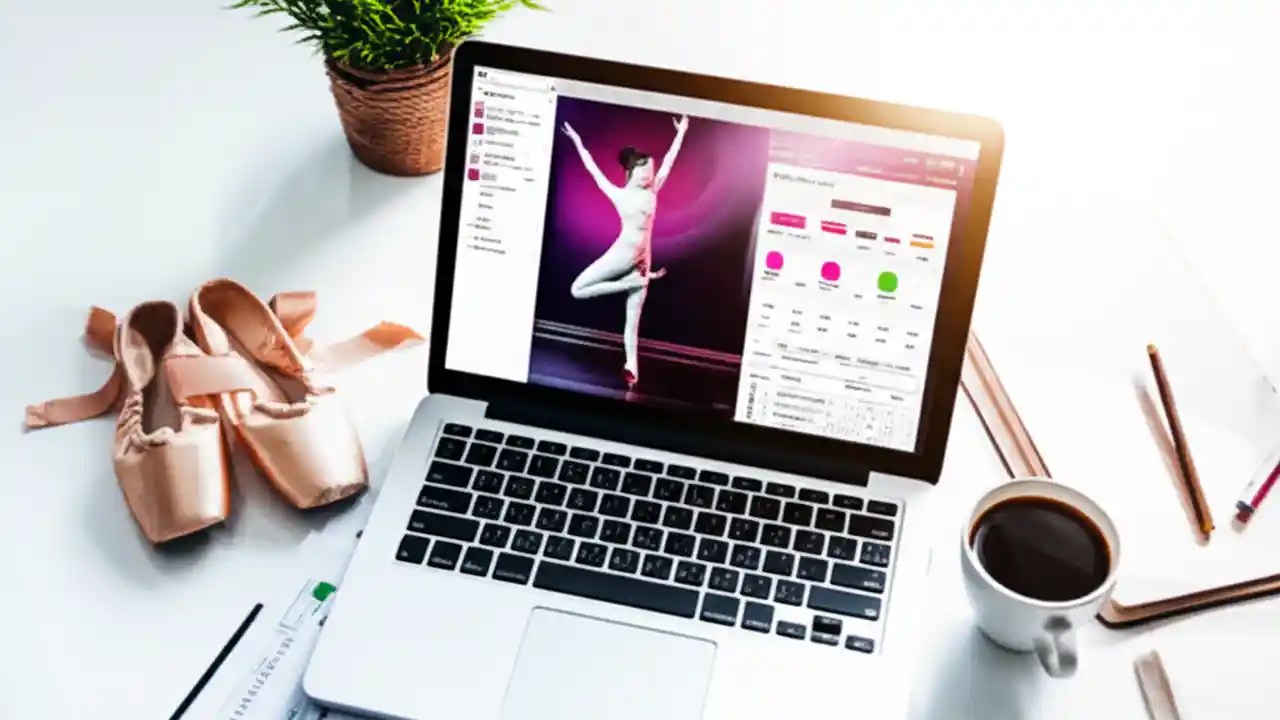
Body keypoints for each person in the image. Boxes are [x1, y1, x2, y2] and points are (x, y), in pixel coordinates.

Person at [561, 113, 689, 388]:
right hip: (623, 257)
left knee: (633, 320)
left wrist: (682, 132)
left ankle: (632, 368)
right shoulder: (619, 194)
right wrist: (578, 141)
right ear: (634, 171)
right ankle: (629, 282)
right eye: (646, 169)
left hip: (644, 259)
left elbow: (669, 161)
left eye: (652, 170)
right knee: (577, 289)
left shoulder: (653, 191)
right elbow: (592, 169)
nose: (651, 173)